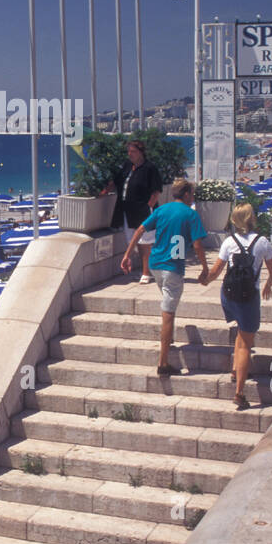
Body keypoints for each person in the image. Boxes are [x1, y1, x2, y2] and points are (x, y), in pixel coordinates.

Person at [120, 178, 208, 377]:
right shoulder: (190, 214)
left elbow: (141, 229)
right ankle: (163, 362)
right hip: (172, 269)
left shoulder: (162, 210)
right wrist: (204, 268)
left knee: (169, 307)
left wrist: (128, 254)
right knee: (167, 314)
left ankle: (168, 340)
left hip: (155, 265)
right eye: (192, 194)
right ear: (186, 195)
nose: (193, 198)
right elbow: (198, 245)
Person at [200, 203, 272, 409]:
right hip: (248, 297)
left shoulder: (228, 242)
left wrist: (205, 280)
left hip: (228, 295)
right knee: (245, 343)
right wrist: (267, 286)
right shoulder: (263, 243)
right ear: (252, 219)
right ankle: (239, 393)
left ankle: (236, 370)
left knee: (240, 334)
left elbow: (216, 271)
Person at [108, 140, 163, 284]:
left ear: (141, 152)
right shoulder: (127, 166)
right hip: (128, 210)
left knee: (145, 242)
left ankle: (146, 273)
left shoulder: (150, 168)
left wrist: (148, 207)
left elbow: (156, 190)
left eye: (133, 151)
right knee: (135, 241)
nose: (130, 154)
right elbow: (116, 181)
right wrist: (102, 191)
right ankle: (146, 270)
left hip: (143, 211)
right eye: (129, 151)